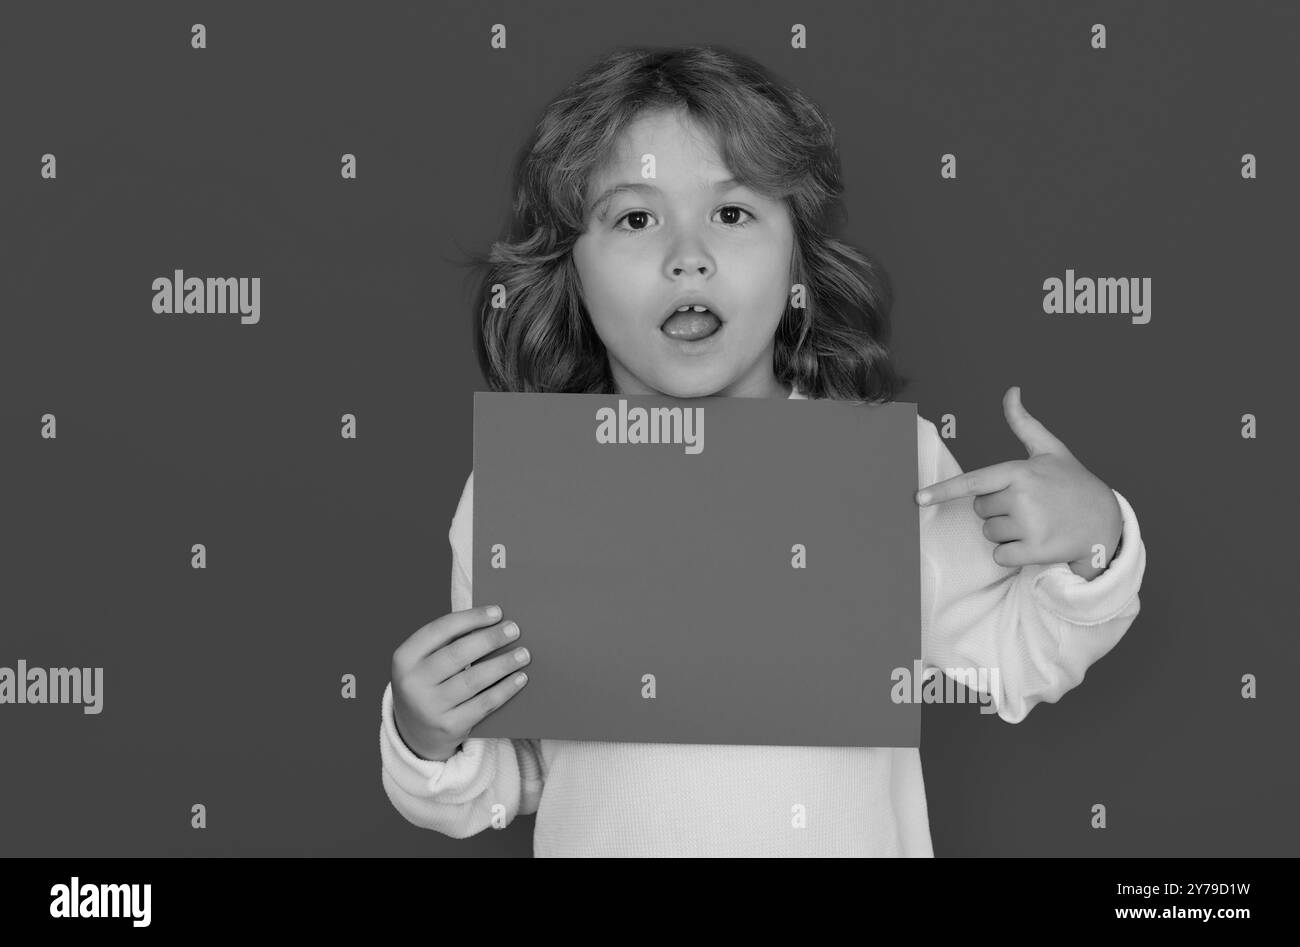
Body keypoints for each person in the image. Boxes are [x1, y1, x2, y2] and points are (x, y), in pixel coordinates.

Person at [380, 44, 1146, 857]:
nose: (688, 254)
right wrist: (424, 733)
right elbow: (511, 777)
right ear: (570, 265)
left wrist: (1095, 542)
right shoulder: (526, 495)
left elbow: (1016, 659)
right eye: (636, 218)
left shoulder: (885, 471)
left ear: (796, 260)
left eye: (733, 213)